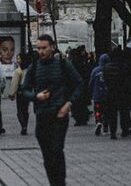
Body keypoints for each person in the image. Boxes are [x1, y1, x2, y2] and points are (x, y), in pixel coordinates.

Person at [22, 34, 83, 186]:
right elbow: (24, 90)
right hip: (42, 116)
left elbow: (79, 84)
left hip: (59, 114)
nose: (41, 51)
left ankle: (60, 183)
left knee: (56, 150)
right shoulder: (34, 66)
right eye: (39, 48)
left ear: (52, 47)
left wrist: (68, 104)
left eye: (44, 48)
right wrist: (36, 96)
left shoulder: (63, 63)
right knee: (47, 155)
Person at [103, 48, 130, 139]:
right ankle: (124, 130)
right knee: (124, 112)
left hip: (111, 92)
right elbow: (127, 81)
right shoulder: (125, 66)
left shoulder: (107, 67)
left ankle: (113, 132)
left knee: (112, 113)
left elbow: (105, 79)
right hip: (122, 92)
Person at [88, 53, 110, 136]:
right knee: (106, 111)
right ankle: (105, 127)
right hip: (107, 94)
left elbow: (91, 82)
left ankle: (98, 121)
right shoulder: (108, 69)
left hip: (97, 94)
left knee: (97, 110)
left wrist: (91, 91)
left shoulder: (95, 70)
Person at [8, 53, 30, 135]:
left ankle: (23, 126)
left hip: (20, 91)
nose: (17, 60)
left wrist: (12, 94)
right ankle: (26, 125)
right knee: (26, 110)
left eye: (18, 58)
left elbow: (15, 83)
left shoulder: (18, 71)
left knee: (20, 110)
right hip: (28, 91)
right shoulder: (29, 69)